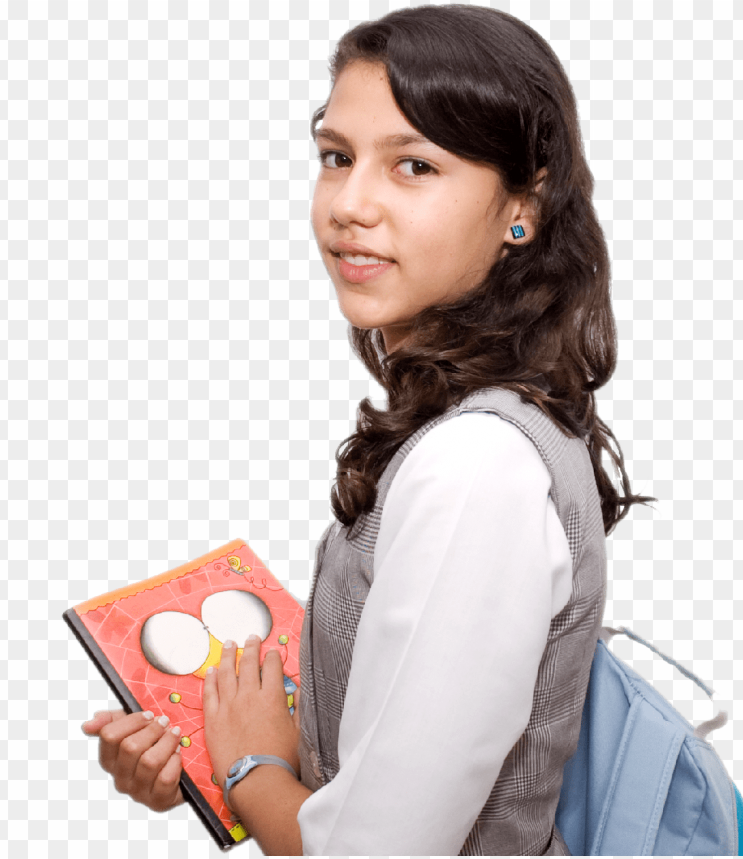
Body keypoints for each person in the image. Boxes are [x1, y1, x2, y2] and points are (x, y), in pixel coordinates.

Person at [81, 5, 655, 854]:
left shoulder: (475, 465)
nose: (349, 204)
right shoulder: (484, 422)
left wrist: (250, 770)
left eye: (414, 166)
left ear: (521, 209)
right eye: (336, 157)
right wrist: (227, 761)